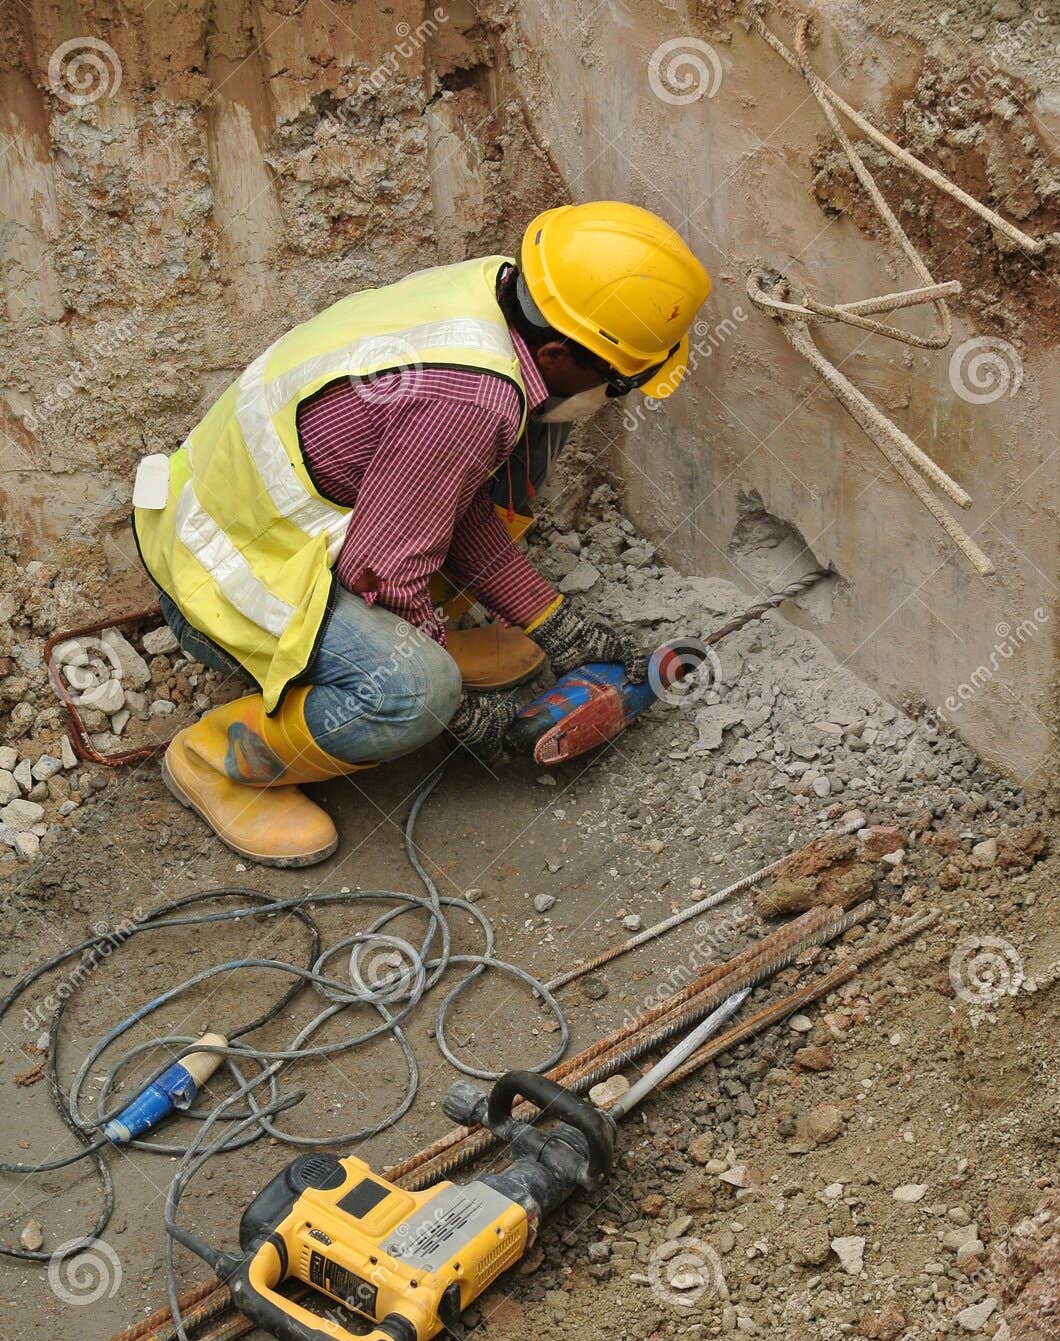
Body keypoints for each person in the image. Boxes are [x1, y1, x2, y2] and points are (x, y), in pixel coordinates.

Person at [131, 200, 710, 866]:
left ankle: (412, 652)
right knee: (413, 695)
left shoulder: (493, 292)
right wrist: (450, 710)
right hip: (221, 579)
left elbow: (443, 497)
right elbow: (380, 568)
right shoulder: (471, 400)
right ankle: (214, 762)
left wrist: (553, 621)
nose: (615, 395)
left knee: (523, 452)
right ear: (555, 353)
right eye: (618, 380)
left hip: (223, 516)